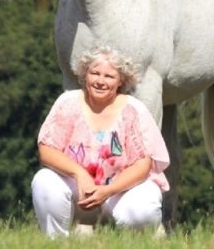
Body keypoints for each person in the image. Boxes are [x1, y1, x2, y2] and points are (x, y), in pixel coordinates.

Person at [31, 45, 170, 238]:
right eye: (95, 73)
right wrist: (79, 173)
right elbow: (47, 149)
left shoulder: (134, 110)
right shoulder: (68, 102)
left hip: (121, 191)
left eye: (109, 76)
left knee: (143, 209)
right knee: (43, 180)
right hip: (78, 190)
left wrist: (108, 190)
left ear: (121, 81)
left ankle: (142, 240)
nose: (100, 81)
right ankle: (55, 243)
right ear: (84, 75)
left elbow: (143, 164)